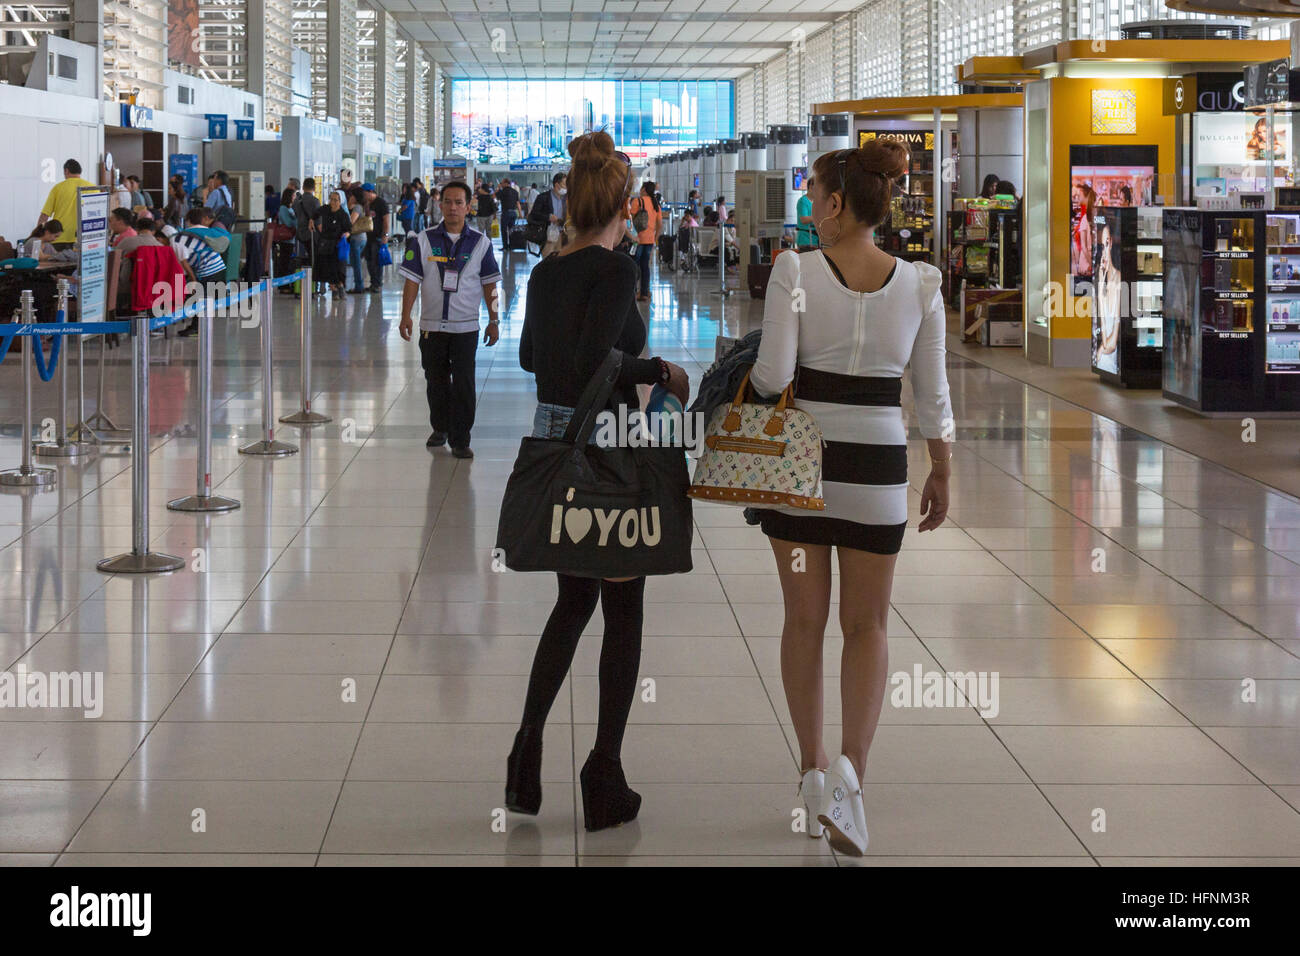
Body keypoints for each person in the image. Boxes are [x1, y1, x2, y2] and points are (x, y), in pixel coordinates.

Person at [749, 140, 953, 857]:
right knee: (866, 626)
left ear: (837, 204)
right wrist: (943, 469)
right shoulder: (922, 283)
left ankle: (808, 772)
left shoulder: (795, 270)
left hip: (802, 472)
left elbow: (773, 377)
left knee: (803, 622)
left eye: (811, 192)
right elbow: (932, 396)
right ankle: (851, 778)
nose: (807, 203)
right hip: (878, 473)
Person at [505, 131, 690, 832]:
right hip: (610, 449)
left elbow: (531, 357)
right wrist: (657, 373)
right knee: (624, 604)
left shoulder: (549, 269)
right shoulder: (615, 271)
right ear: (623, 204)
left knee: (572, 601)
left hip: (556, 442)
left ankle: (527, 748)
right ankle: (603, 771)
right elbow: (594, 363)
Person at [397, 180, 500, 459]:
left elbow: (490, 284)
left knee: (464, 382)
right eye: (448, 202)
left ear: (468, 207)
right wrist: (406, 315)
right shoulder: (423, 239)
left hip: (466, 327)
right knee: (436, 379)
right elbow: (412, 281)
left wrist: (494, 319)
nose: (453, 207)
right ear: (440, 205)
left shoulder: (481, 243)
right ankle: (440, 427)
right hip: (431, 326)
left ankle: (461, 438)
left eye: (458, 203)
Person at [37, 159, 95, 250]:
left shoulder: (58, 188)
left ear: (66, 171)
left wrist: (38, 235)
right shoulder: (92, 188)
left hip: (58, 237)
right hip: (83, 238)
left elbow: (45, 215)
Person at [311, 190, 351, 296]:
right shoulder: (325, 209)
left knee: (339, 268)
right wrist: (311, 220)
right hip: (325, 244)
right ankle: (333, 289)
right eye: (331, 199)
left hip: (337, 245)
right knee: (327, 268)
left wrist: (346, 235)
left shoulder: (343, 215)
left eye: (335, 200)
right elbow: (315, 214)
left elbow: (349, 229)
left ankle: (340, 286)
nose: (333, 202)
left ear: (340, 201)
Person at [628, 180, 662, 302]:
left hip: (637, 239)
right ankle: (644, 293)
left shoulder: (638, 201)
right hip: (649, 240)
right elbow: (660, 224)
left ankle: (633, 291)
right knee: (645, 266)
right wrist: (655, 239)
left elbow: (629, 217)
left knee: (634, 265)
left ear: (644, 190)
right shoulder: (655, 204)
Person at [527, 173, 568, 255]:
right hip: (548, 236)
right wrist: (548, 217)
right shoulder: (543, 197)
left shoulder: (567, 199)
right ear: (557, 185)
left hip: (563, 235)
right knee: (548, 260)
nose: (567, 187)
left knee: (562, 261)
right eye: (565, 184)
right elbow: (534, 214)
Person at [362, 183, 389, 292]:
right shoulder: (368, 204)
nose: (363, 196)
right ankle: (373, 283)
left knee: (376, 262)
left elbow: (386, 221)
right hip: (368, 237)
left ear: (370, 192)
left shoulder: (381, 203)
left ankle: (378, 284)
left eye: (364, 194)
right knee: (369, 261)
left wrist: (385, 235)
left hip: (378, 237)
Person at [345, 193, 369, 293]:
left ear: (355, 196)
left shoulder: (357, 207)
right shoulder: (361, 207)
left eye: (352, 195)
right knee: (356, 262)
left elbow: (351, 221)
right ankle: (359, 285)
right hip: (362, 237)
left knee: (356, 264)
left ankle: (359, 286)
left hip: (357, 238)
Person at [497, 178, 522, 249]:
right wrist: (520, 213)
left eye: (502, 183)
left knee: (504, 230)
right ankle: (512, 245)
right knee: (511, 230)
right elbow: (518, 203)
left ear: (506, 183)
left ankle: (505, 246)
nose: (501, 184)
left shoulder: (503, 191)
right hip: (513, 213)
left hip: (506, 213)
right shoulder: (515, 192)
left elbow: (495, 196)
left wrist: (498, 188)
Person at [796, 177, 816, 250]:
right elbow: (804, 219)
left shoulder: (816, 202)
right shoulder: (803, 201)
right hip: (805, 239)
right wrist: (818, 217)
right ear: (811, 186)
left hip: (815, 239)